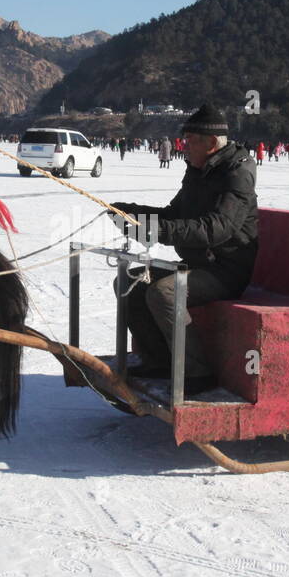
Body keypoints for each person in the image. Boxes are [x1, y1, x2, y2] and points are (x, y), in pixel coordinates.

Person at [109, 104, 258, 395]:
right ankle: (159, 361)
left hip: (226, 270)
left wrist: (158, 231)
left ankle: (198, 373)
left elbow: (217, 228)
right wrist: (131, 213)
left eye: (190, 141)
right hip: (197, 264)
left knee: (164, 292)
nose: (184, 147)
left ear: (212, 144)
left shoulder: (237, 174)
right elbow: (173, 213)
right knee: (128, 281)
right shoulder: (197, 171)